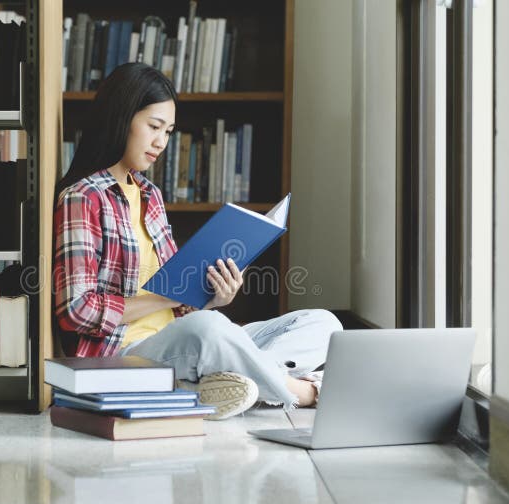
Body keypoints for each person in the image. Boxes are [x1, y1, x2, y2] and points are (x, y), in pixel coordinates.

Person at [53, 63, 342, 419]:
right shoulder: (83, 197)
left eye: (169, 131)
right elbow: (76, 311)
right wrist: (168, 298)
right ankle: (303, 392)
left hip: (180, 339)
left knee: (324, 323)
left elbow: (181, 306)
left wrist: (216, 297)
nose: (161, 142)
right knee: (209, 330)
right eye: (154, 126)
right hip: (123, 354)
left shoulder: (150, 195)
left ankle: (226, 384)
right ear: (121, 117)